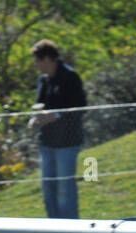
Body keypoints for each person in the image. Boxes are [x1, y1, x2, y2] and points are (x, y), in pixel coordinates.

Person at [30, 39, 87, 219]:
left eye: (38, 61)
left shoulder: (70, 77)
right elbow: (41, 105)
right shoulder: (43, 80)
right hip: (47, 141)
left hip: (67, 143)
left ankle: (70, 231)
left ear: (47, 59)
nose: (36, 65)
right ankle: (54, 228)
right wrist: (35, 119)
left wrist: (55, 115)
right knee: (48, 188)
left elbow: (80, 106)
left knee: (65, 189)